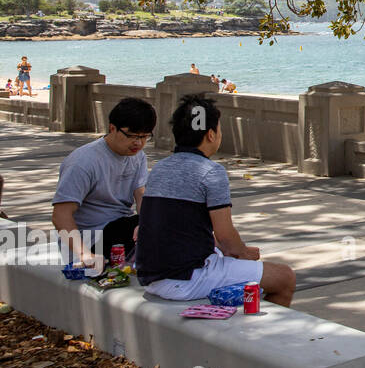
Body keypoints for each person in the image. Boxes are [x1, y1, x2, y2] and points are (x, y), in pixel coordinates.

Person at [135, 94, 296, 307]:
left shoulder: (160, 168)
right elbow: (226, 236)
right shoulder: (211, 172)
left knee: (225, 257)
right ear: (211, 134)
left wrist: (231, 250)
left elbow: (182, 228)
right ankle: (258, 335)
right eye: (219, 129)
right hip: (186, 280)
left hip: (151, 277)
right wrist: (245, 253)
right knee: (284, 277)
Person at [51, 97, 156, 264]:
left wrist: (144, 223)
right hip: (91, 239)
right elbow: (60, 215)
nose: (138, 143)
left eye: (144, 137)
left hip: (121, 229)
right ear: (112, 128)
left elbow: (141, 195)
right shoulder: (83, 161)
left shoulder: (138, 156)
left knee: (164, 220)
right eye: (132, 136)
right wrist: (84, 255)